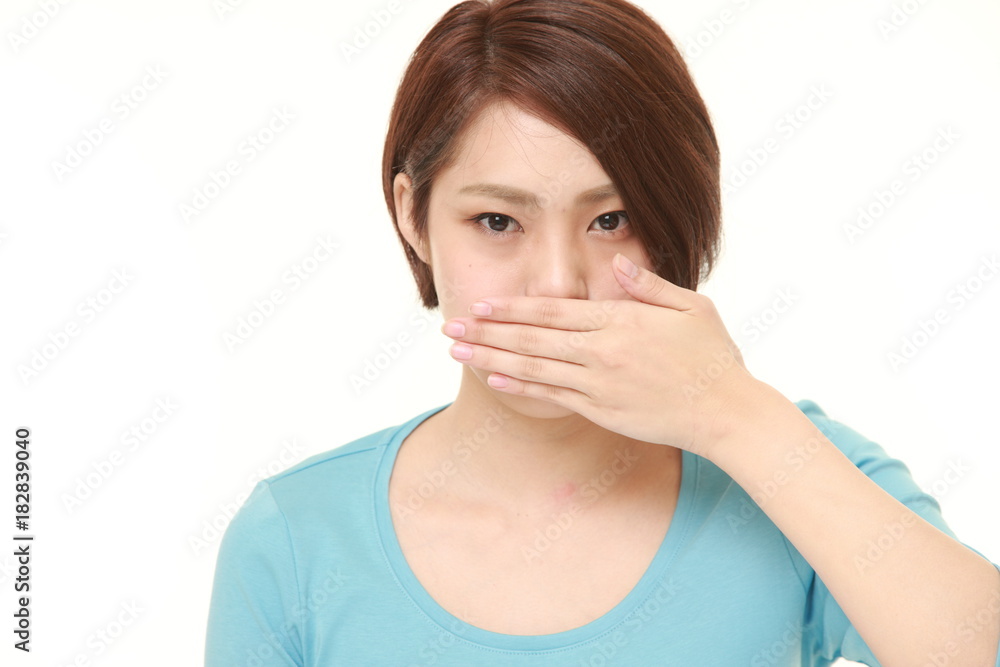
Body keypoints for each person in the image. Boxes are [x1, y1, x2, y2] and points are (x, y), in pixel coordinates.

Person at [205, 0, 1000, 664]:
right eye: (497, 220)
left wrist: (732, 412)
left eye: (610, 219)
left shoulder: (791, 469)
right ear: (413, 217)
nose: (558, 281)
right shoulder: (295, 542)